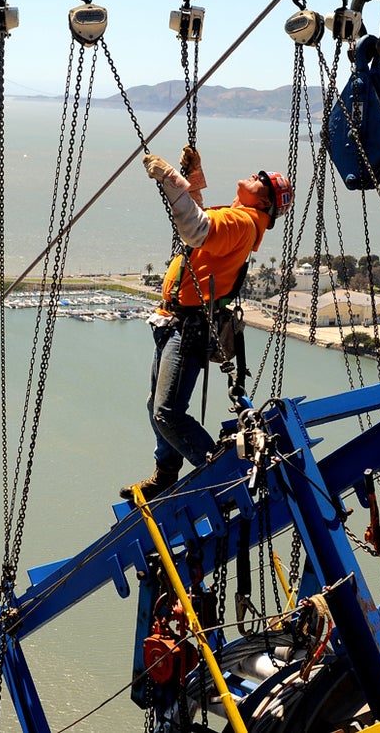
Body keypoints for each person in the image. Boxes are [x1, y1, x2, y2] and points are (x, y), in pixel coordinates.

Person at [120, 146, 294, 502]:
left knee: (166, 413)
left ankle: (222, 474)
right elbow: (202, 216)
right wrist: (193, 177)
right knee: (157, 406)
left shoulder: (244, 222)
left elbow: (196, 229)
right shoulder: (243, 217)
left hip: (188, 327)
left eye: (262, 182)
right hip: (177, 321)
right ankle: (167, 472)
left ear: (265, 205)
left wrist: (171, 179)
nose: (256, 176)